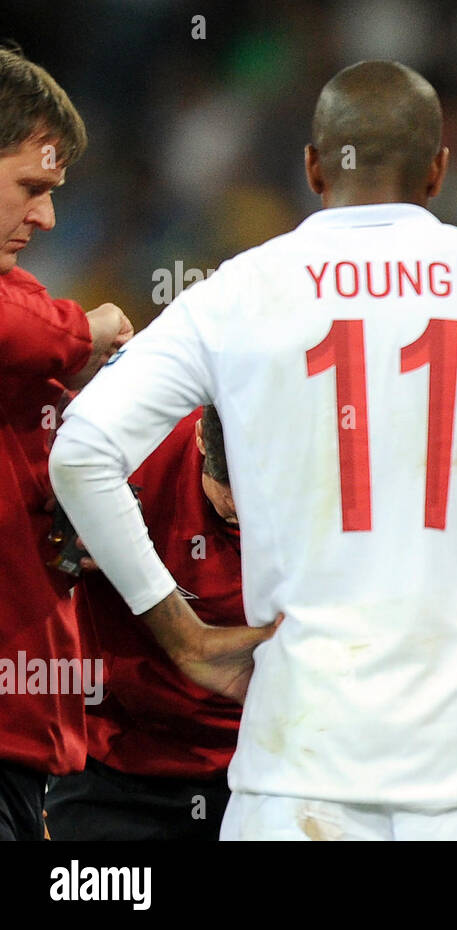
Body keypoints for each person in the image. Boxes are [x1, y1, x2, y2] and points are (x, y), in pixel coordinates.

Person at [48, 60, 457, 841]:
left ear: (311, 166)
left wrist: (182, 636)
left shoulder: (240, 292)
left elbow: (82, 451)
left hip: (295, 769)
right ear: (439, 171)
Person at [0, 46, 132, 841]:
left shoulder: (26, 306)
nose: (47, 218)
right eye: (31, 188)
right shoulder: (37, 323)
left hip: (24, 741)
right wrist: (95, 328)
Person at [45, 406, 243, 840]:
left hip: (272, 768)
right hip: (116, 768)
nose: (242, 518)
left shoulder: (350, 488)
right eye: (228, 507)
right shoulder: (110, 460)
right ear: (200, 438)